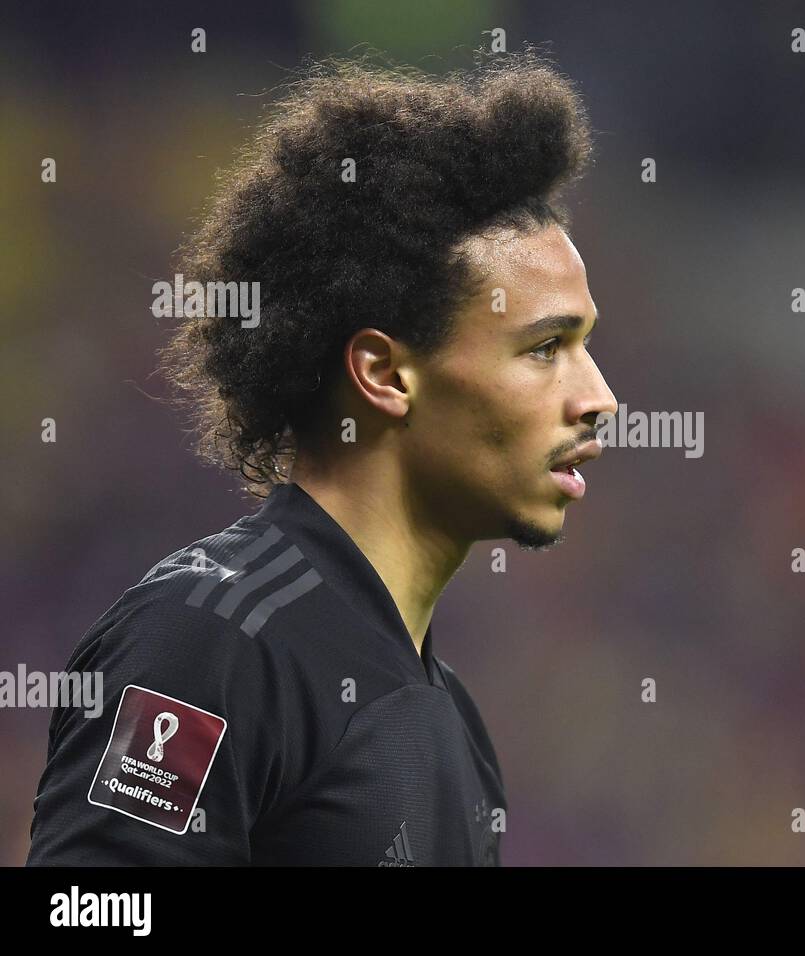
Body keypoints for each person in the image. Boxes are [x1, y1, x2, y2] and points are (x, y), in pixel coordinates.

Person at [26, 51, 617, 866]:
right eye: (547, 347)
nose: (600, 398)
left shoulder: (457, 726)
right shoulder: (209, 642)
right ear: (383, 374)